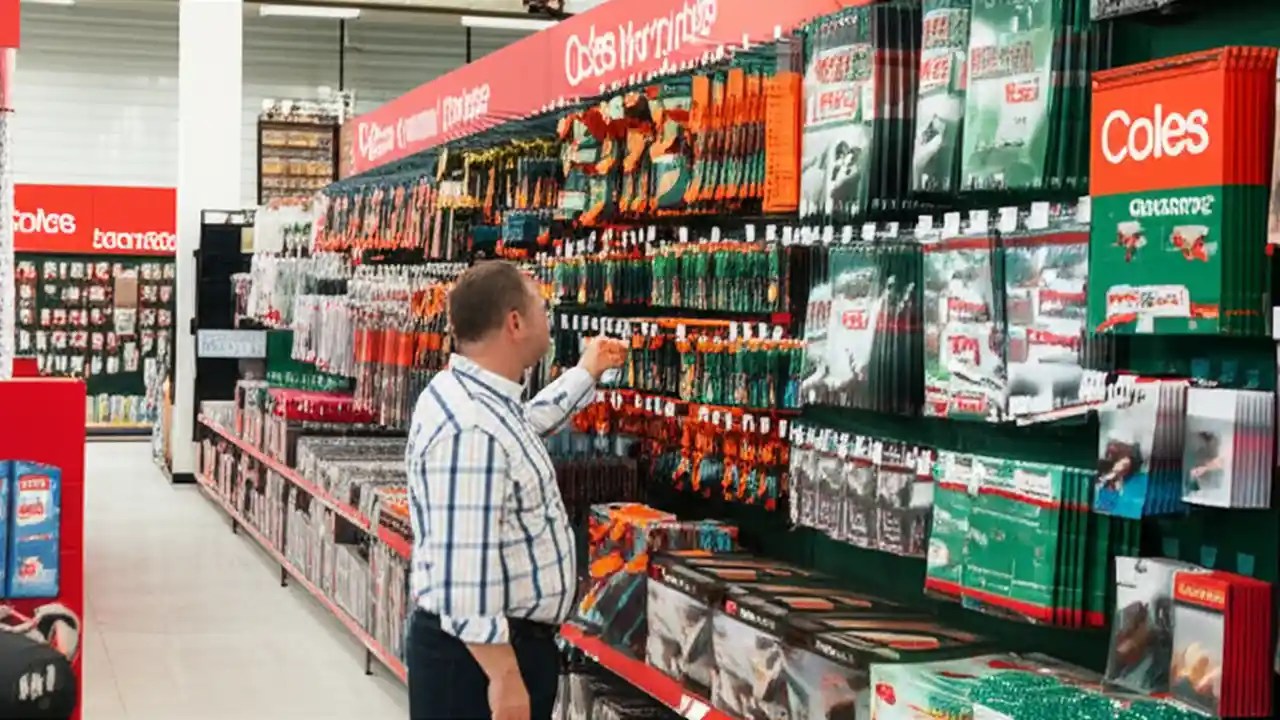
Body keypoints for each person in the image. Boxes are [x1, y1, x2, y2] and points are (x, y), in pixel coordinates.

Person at [404, 261, 626, 720]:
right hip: (481, 661)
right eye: (541, 307)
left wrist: (586, 372)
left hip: (493, 650)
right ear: (515, 322)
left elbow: (521, 427)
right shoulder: (471, 428)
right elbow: (463, 571)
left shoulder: (476, 401)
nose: (549, 316)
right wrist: (504, 679)